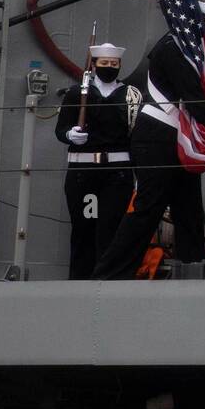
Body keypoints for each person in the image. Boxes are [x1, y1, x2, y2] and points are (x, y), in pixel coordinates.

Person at [93, 2, 205, 280]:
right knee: (148, 207)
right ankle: (110, 273)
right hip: (157, 134)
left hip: (173, 137)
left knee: (188, 207)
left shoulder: (184, 49)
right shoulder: (173, 48)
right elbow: (191, 93)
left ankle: (192, 266)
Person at [55, 43, 136, 280]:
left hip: (117, 172)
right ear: (94, 65)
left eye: (114, 64)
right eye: (105, 64)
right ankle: (80, 279)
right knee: (83, 228)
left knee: (110, 229)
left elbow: (135, 135)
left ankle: (106, 279)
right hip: (84, 170)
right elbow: (60, 129)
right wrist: (71, 135)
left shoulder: (131, 95)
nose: (110, 68)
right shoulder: (77, 93)